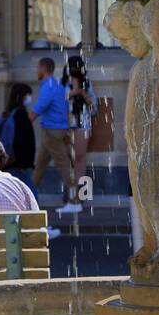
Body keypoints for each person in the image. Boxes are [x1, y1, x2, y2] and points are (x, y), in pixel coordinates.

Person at [29, 57, 76, 207]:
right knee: (40, 167)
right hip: (55, 132)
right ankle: (26, 198)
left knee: (64, 166)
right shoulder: (56, 85)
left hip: (52, 133)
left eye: (38, 68)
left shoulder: (48, 86)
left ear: (43, 69)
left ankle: (75, 201)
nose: (37, 71)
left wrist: (22, 125)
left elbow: (38, 109)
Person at [66, 69, 99, 214]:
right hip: (66, 126)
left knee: (80, 159)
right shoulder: (64, 84)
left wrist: (83, 93)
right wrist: (72, 93)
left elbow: (94, 109)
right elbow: (58, 104)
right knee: (68, 161)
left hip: (83, 125)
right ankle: (70, 196)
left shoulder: (87, 84)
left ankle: (80, 197)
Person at [0, 83, 36, 190]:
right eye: (28, 95)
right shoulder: (20, 115)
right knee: (31, 200)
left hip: (13, 165)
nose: (29, 99)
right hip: (19, 167)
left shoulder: (9, 114)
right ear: (21, 96)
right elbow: (22, 141)